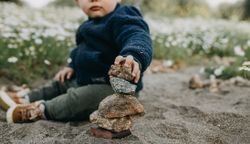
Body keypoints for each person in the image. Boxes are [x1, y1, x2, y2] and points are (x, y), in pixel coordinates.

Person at [0, 0, 152, 125]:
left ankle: (40, 110)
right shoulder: (87, 26)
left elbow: (137, 35)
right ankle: (25, 98)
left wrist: (134, 55)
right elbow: (80, 51)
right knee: (59, 83)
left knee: (78, 99)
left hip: (114, 89)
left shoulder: (124, 16)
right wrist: (71, 66)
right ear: (77, 2)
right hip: (83, 79)